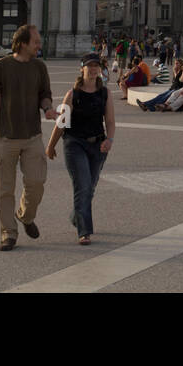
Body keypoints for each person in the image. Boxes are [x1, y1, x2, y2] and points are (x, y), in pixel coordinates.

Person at [0, 24, 56, 252]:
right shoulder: (1, 67)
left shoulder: (39, 67)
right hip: (5, 137)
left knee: (36, 182)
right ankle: (8, 233)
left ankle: (25, 215)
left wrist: (48, 109)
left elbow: (45, 96)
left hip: (32, 136)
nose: (39, 46)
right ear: (22, 43)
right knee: (5, 189)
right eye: (36, 42)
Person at [46, 53, 115, 245]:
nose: (93, 69)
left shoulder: (105, 93)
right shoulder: (72, 94)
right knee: (83, 185)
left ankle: (77, 215)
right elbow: (62, 123)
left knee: (90, 188)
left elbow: (109, 121)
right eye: (89, 66)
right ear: (82, 69)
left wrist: (109, 139)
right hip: (74, 143)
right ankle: (84, 232)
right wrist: (50, 146)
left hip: (98, 145)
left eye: (96, 66)